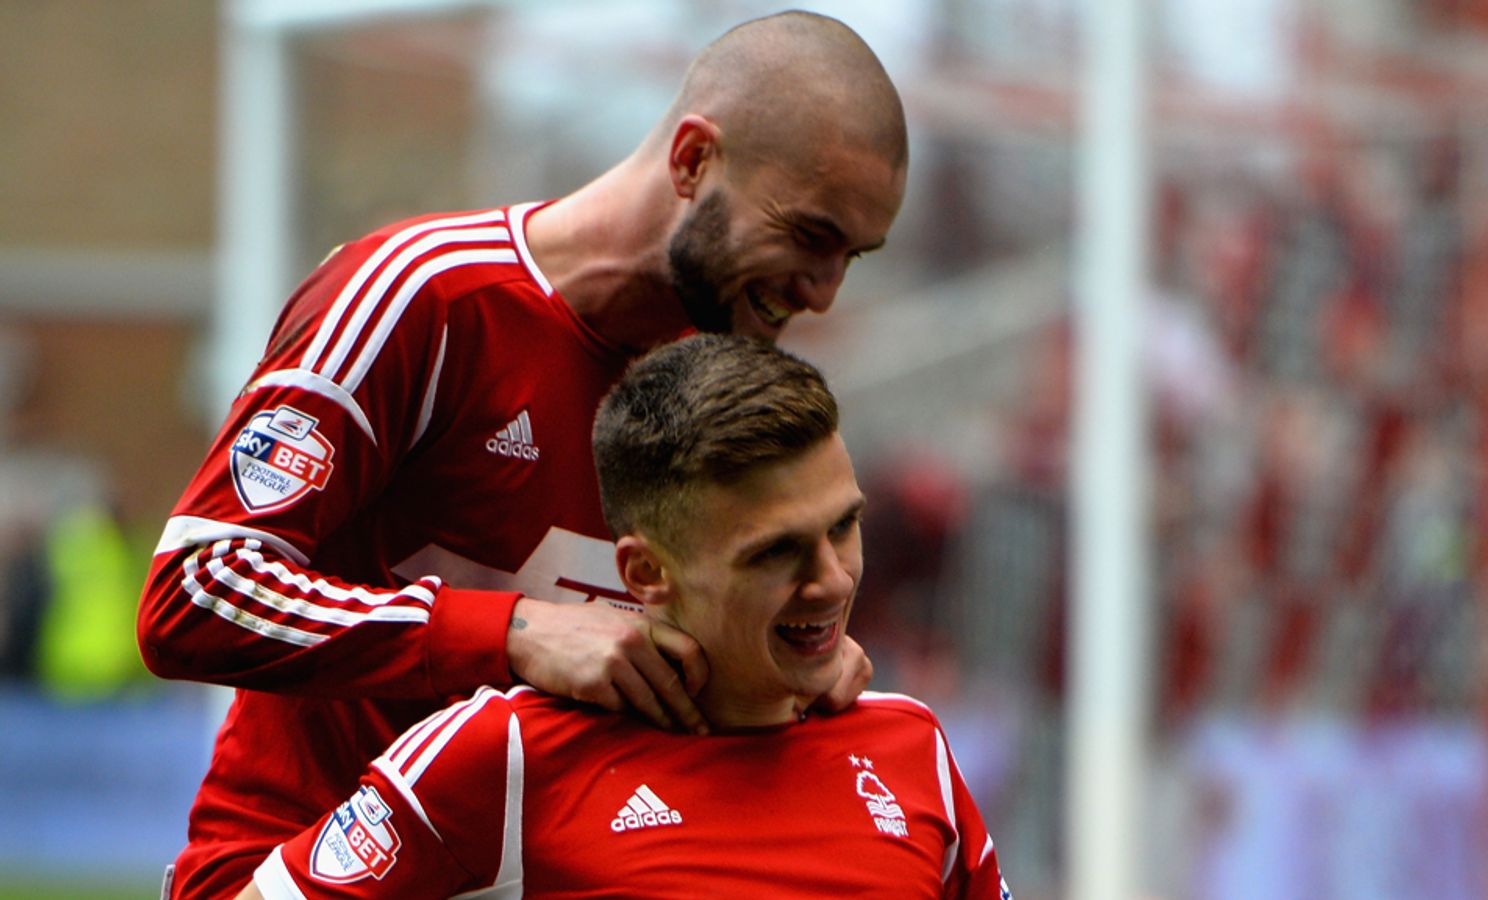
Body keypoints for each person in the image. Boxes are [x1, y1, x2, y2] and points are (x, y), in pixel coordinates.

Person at [136, 11, 908, 899]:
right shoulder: (422, 296)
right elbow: (193, 591)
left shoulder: (713, 391)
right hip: (306, 871)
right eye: (810, 235)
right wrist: (510, 634)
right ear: (694, 161)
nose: (822, 292)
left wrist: (788, 662)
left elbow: (653, 661)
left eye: (852, 254)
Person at [234, 334, 1009, 899]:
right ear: (647, 573)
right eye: (775, 554)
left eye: (844, 525)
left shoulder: (911, 748)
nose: (832, 579)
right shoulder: (502, 756)